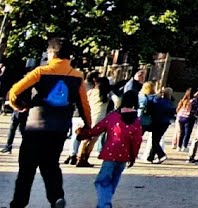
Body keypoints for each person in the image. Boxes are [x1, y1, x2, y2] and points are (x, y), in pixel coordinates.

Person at [5, 37, 91, 208]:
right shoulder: (77, 76)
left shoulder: (40, 72)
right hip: (59, 129)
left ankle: (19, 204)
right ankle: (56, 198)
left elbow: (14, 91)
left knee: (27, 168)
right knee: (51, 164)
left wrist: (19, 105)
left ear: (51, 52)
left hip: (36, 127)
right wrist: (88, 126)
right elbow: (84, 105)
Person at [78, 89, 144, 208]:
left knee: (102, 181)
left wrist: (83, 134)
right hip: (124, 156)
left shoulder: (113, 116)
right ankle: (104, 202)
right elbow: (137, 141)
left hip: (110, 153)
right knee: (113, 181)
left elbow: (97, 129)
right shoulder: (137, 121)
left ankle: (104, 204)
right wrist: (133, 156)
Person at [145, 87, 174, 163]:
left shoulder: (158, 101)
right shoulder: (170, 102)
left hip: (157, 122)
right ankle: (150, 157)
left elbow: (150, 101)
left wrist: (157, 94)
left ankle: (161, 155)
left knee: (155, 141)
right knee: (156, 140)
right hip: (165, 123)